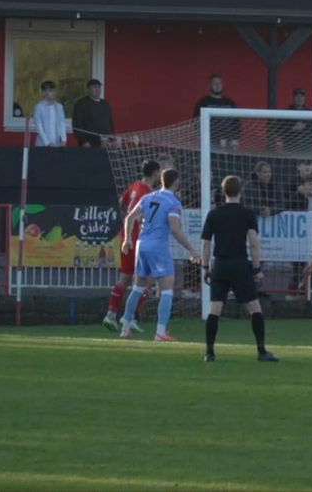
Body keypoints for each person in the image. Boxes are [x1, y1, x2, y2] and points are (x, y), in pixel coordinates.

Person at [200, 175, 278, 363]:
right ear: (240, 192)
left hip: (220, 264)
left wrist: (205, 267)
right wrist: (257, 267)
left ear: (223, 191)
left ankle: (209, 352)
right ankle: (261, 350)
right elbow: (254, 243)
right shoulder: (247, 214)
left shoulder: (214, 214)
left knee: (215, 309)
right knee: (254, 308)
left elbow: (205, 245)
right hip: (240, 264)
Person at [119, 169, 202, 341]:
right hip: (158, 247)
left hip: (142, 245)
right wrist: (192, 249)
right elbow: (175, 229)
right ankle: (160, 332)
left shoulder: (148, 197)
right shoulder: (173, 202)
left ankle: (125, 328)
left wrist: (127, 240)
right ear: (176, 182)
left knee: (137, 288)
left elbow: (129, 218)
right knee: (166, 288)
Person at [103, 159, 161, 332]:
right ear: (156, 173)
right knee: (147, 279)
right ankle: (131, 317)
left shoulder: (134, 186)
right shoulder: (148, 193)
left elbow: (122, 204)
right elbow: (145, 217)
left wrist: (129, 221)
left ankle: (110, 315)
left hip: (125, 238)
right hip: (138, 240)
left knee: (125, 278)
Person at [194, 75, 240, 148]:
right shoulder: (203, 103)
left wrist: (236, 139)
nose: (217, 85)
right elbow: (196, 122)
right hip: (209, 141)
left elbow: (236, 123)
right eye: (214, 83)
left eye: (219, 83)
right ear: (209, 86)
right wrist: (200, 139)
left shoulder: (230, 103)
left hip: (228, 141)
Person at [274, 88, 312, 152]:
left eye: (302, 96)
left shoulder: (310, 114)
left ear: (304, 98)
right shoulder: (285, 114)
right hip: (289, 149)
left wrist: (307, 141)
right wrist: (293, 128)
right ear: (293, 98)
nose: (299, 98)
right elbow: (278, 131)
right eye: (297, 96)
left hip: (306, 150)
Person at [72, 79, 114, 148]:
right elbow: (77, 125)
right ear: (88, 89)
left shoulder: (105, 104)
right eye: (94, 87)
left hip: (105, 143)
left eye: (99, 87)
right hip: (89, 144)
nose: (97, 90)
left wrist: (111, 138)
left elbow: (110, 122)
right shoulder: (81, 104)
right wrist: (84, 141)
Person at [33, 80, 66, 147]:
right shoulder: (39, 107)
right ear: (44, 92)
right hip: (43, 144)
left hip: (57, 144)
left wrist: (64, 140)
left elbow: (62, 124)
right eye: (50, 91)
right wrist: (48, 143)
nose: (53, 93)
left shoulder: (59, 107)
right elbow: (39, 127)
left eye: (54, 91)